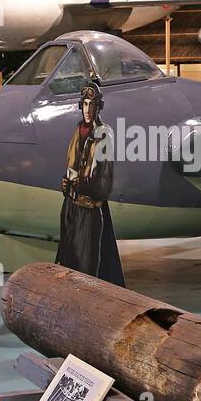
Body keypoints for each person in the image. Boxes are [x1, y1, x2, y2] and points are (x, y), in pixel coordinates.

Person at [55, 81, 125, 286]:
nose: (87, 109)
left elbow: (105, 184)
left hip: (88, 212)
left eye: (91, 104)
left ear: (98, 107)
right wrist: (66, 185)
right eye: (84, 104)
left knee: (86, 274)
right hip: (69, 209)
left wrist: (82, 184)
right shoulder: (77, 132)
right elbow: (71, 165)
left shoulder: (104, 134)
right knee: (66, 265)